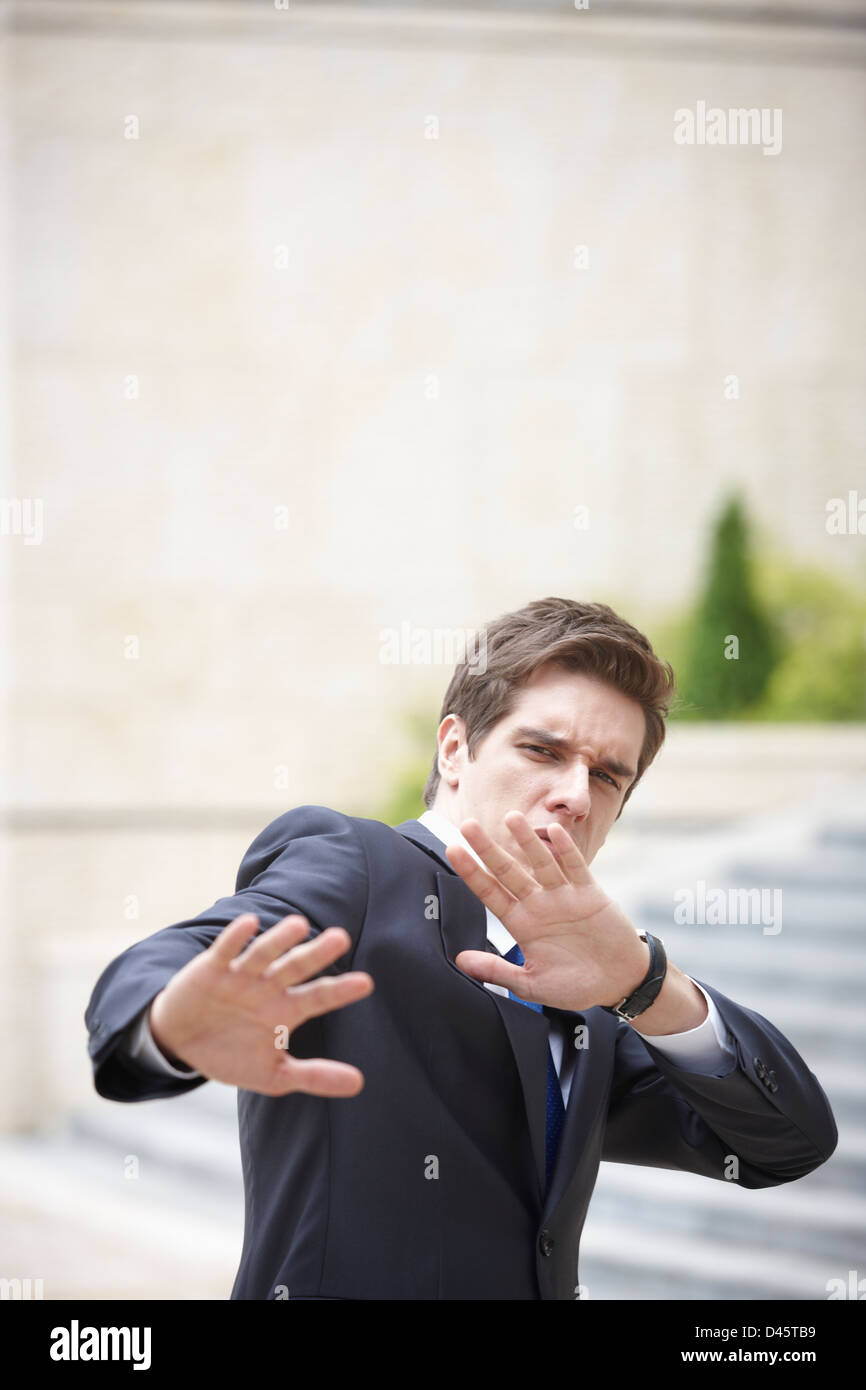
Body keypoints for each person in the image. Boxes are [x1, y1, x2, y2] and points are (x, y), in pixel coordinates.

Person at [85, 597, 837, 1300]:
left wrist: (645, 983)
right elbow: (177, 957)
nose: (577, 793)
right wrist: (165, 1023)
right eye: (543, 750)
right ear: (454, 748)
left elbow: (788, 1143)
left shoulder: (596, 998)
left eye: (608, 775)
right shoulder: (358, 866)